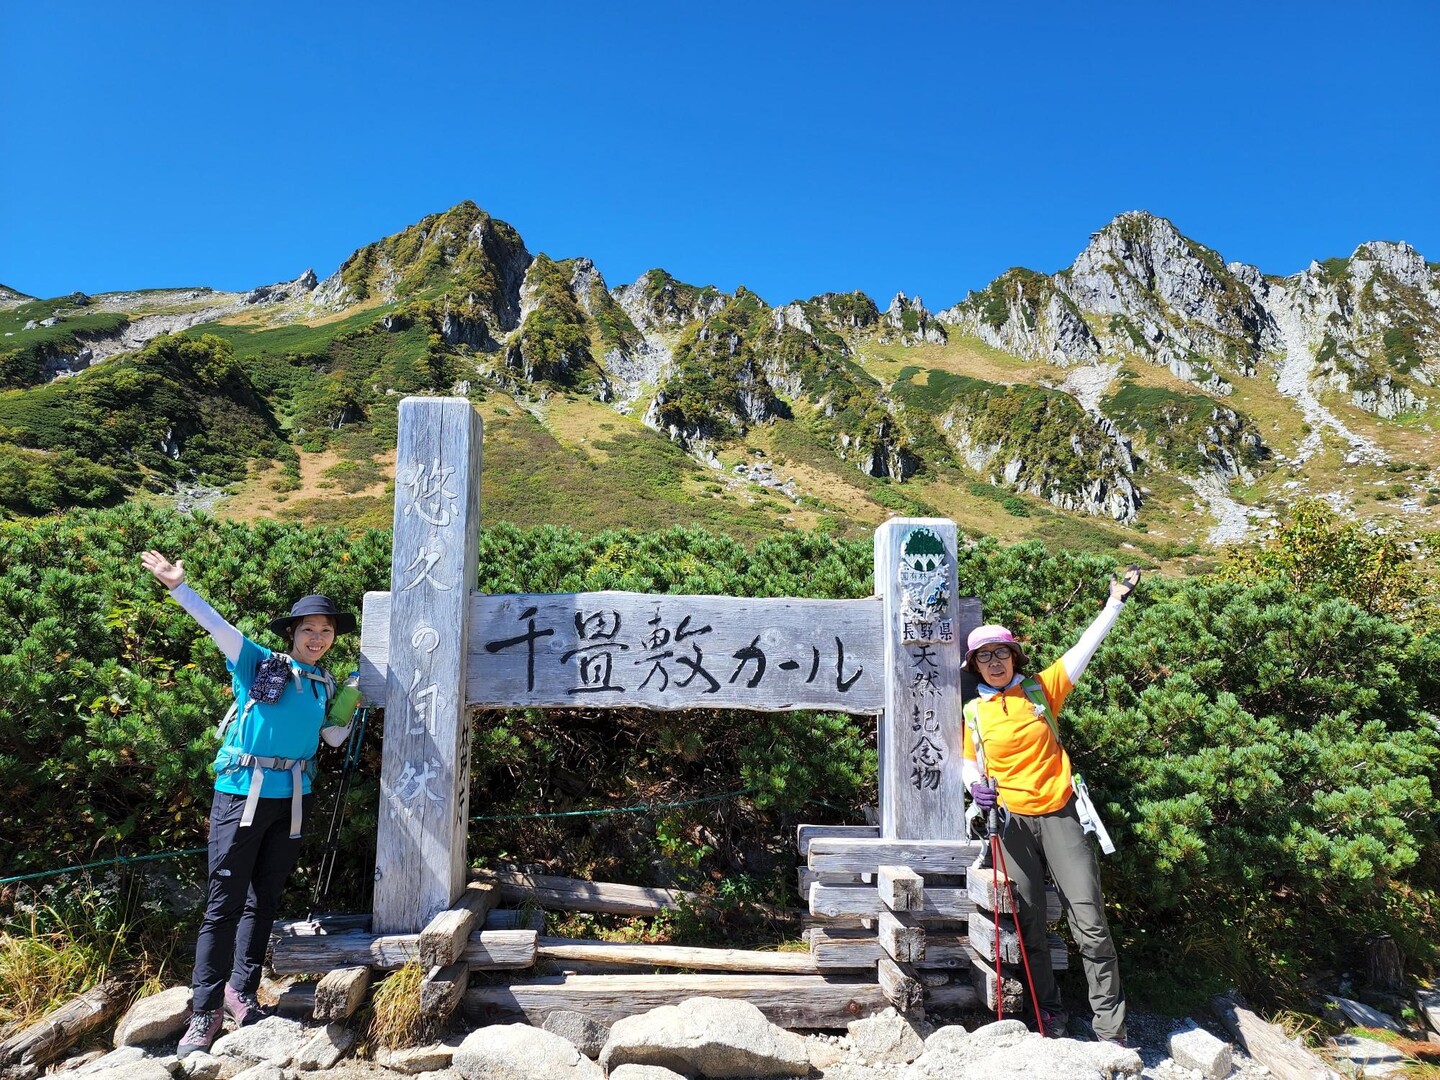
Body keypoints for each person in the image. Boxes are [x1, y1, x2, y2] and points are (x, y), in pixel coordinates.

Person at [141, 550, 357, 1056]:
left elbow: (330, 742)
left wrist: (349, 698)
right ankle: (204, 1011)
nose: (318, 638)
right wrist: (179, 587)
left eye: (326, 631)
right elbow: (217, 625)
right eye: (309, 629)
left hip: (293, 800)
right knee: (224, 903)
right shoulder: (259, 661)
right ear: (292, 633)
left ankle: (242, 992)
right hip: (241, 796)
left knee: (265, 899)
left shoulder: (324, 683)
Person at [961, 565, 1140, 1045]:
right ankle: (1050, 1017)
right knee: (1028, 925)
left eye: (1001, 653)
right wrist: (977, 786)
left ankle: (1111, 1030)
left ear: (1014, 656)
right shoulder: (973, 711)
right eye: (984, 657)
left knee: (1091, 922)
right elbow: (967, 762)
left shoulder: (1041, 690)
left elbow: (1086, 647)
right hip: (1009, 822)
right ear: (974, 666)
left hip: (1060, 812)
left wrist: (1115, 601)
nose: (994, 662)